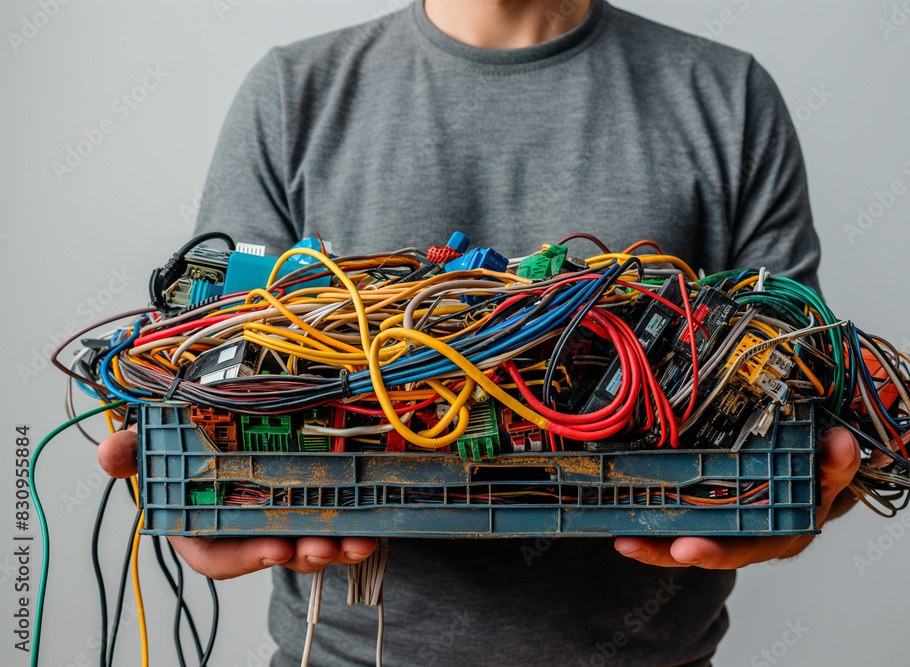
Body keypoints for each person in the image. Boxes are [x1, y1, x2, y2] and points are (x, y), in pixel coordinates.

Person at [99, 1, 860, 664]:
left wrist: (809, 501)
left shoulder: (726, 95)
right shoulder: (293, 94)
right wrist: (200, 495)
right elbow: (203, 380)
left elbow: (806, 395)